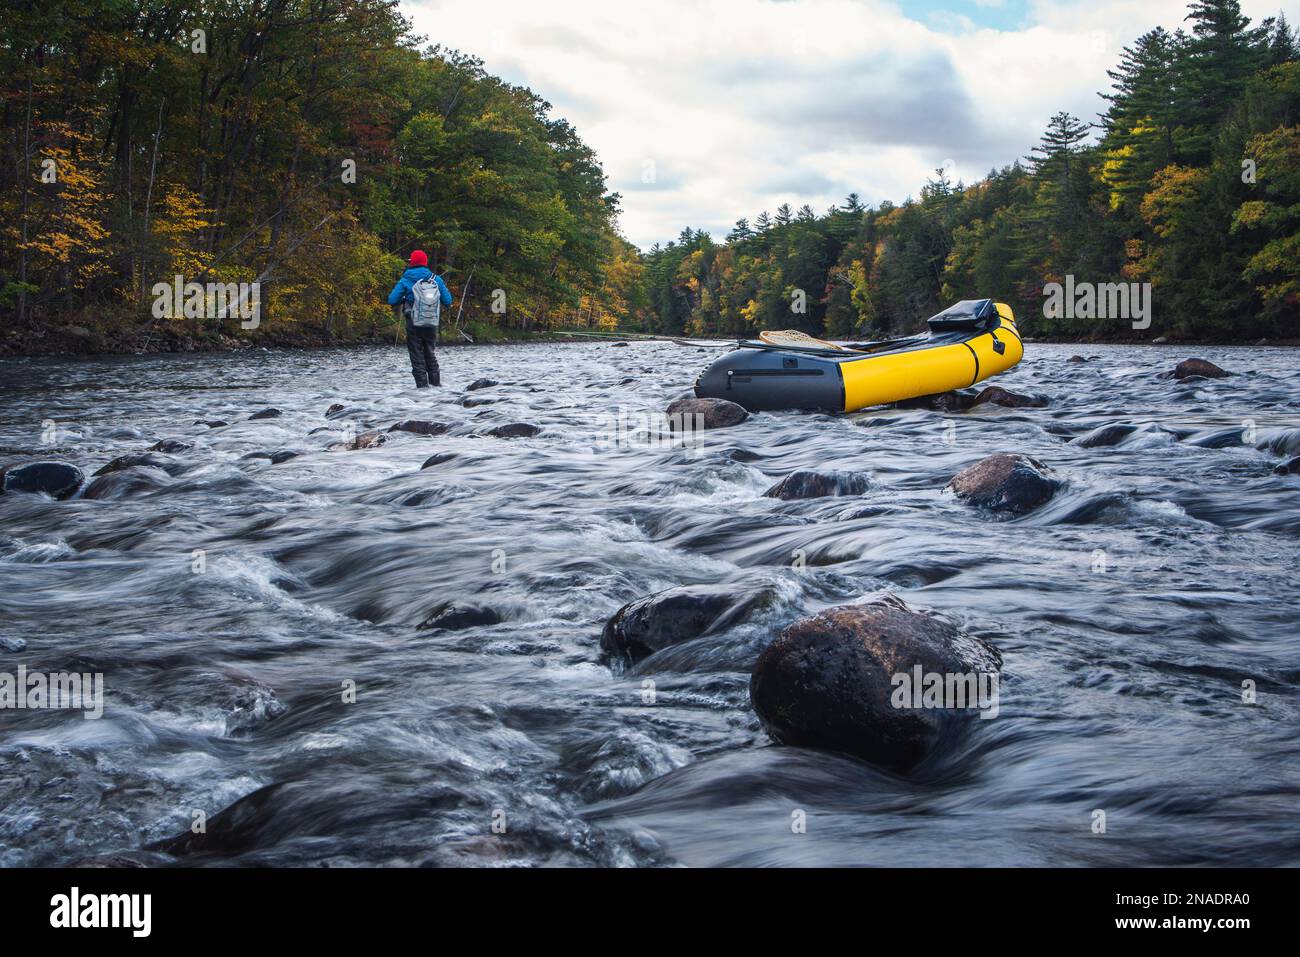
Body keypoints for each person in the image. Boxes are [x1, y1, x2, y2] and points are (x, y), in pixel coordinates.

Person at [387, 250, 453, 388]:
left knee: (417, 357)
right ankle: (436, 388)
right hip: (431, 323)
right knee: (430, 354)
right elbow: (448, 300)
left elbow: (392, 300)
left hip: (413, 323)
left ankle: (422, 392)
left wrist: (405, 298)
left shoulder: (405, 280)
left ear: (411, 262)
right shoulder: (436, 279)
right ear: (425, 263)